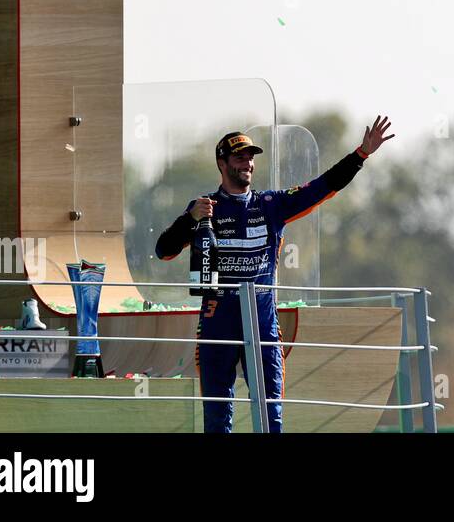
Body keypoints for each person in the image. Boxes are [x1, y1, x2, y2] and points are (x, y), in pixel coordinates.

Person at [155, 116, 395, 432]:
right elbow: (164, 251)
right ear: (222, 163)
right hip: (217, 324)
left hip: (263, 324)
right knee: (216, 417)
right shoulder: (205, 207)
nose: (247, 163)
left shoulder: (272, 205)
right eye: (239, 157)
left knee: (271, 415)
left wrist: (360, 155)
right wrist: (189, 218)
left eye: (250, 157)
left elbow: (321, 187)